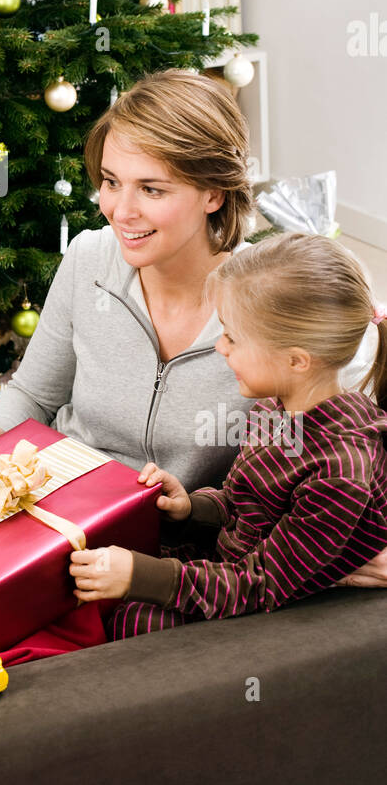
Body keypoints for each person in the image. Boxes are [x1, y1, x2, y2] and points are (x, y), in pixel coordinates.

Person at [0, 69, 385, 601]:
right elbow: (35, 392)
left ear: (213, 194)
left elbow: (349, 449)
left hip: (153, 536)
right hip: (48, 483)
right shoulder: (90, 255)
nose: (119, 211)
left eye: (151, 188)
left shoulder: (272, 303)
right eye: (109, 182)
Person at [68, 233, 387, 633]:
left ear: (297, 361)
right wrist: (191, 508)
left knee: (134, 618)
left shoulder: (338, 474)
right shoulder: (276, 408)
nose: (220, 347)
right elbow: (245, 505)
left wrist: (141, 577)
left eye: (233, 337)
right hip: (231, 564)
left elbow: (262, 584)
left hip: (265, 600)